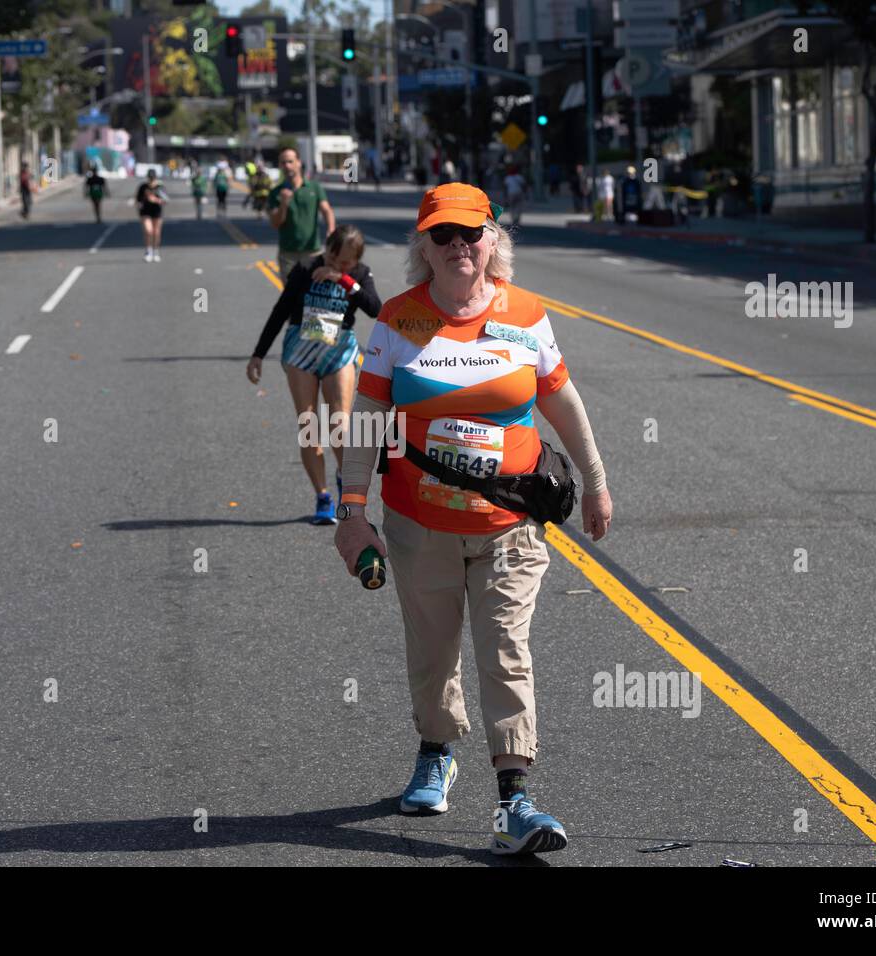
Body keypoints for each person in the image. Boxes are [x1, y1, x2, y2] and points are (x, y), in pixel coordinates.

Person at [332, 182, 613, 855]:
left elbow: (563, 402)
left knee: (505, 651)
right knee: (433, 655)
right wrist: (351, 511)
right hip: (417, 522)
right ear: (422, 246)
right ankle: (436, 748)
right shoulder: (397, 323)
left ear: (494, 240)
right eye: (443, 236)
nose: (459, 246)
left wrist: (598, 483)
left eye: (471, 234)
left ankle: (514, 797)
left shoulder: (525, 314)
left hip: (509, 522)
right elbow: (366, 423)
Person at [247, 225, 381, 524]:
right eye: (334, 257)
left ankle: (343, 480)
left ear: (356, 261)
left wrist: (344, 280)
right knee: (309, 424)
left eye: (346, 262)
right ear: (327, 247)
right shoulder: (305, 267)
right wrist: (258, 354)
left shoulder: (359, 274)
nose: (337, 263)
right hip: (301, 349)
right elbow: (280, 310)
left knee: (339, 424)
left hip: (338, 349)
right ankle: (322, 497)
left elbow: (376, 310)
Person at [267, 146, 335, 281]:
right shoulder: (276, 192)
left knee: (314, 294)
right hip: (288, 254)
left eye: (290, 161)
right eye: (283, 163)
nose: (287, 166)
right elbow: (275, 223)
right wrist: (283, 204)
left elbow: (326, 210)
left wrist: (331, 229)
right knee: (291, 298)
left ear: (298, 162)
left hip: (313, 252)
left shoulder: (314, 187)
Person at [136, 168, 166, 262]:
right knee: (149, 231)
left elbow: (165, 200)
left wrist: (155, 200)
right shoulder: (143, 187)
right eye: (150, 177)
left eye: (152, 177)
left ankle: (156, 251)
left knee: (156, 232)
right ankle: (148, 251)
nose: (151, 179)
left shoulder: (160, 187)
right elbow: (138, 200)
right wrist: (141, 204)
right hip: (145, 212)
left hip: (157, 211)